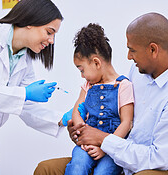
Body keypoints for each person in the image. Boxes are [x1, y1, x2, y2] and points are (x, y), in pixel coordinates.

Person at [34, 12, 168, 175]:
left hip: (139, 162)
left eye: (132, 50)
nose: (128, 57)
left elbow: (157, 159)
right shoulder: (138, 71)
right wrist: (79, 132)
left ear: (153, 49)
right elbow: (84, 108)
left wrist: (104, 141)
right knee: (46, 169)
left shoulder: (128, 83)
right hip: (112, 151)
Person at [0, 0, 64, 174]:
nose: (52, 40)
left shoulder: (25, 59)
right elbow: (21, 97)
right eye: (49, 32)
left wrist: (63, 120)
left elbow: (25, 105)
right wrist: (24, 93)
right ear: (31, 22)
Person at [61, 23, 134, 175]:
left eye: (82, 70)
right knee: (77, 167)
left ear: (96, 62)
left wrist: (105, 147)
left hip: (113, 147)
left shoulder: (123, 86)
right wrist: (81, 129)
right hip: (86, 144)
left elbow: (126, 123)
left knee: (104, 172)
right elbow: (77, 110)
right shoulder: (87, 86)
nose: (82, 75)